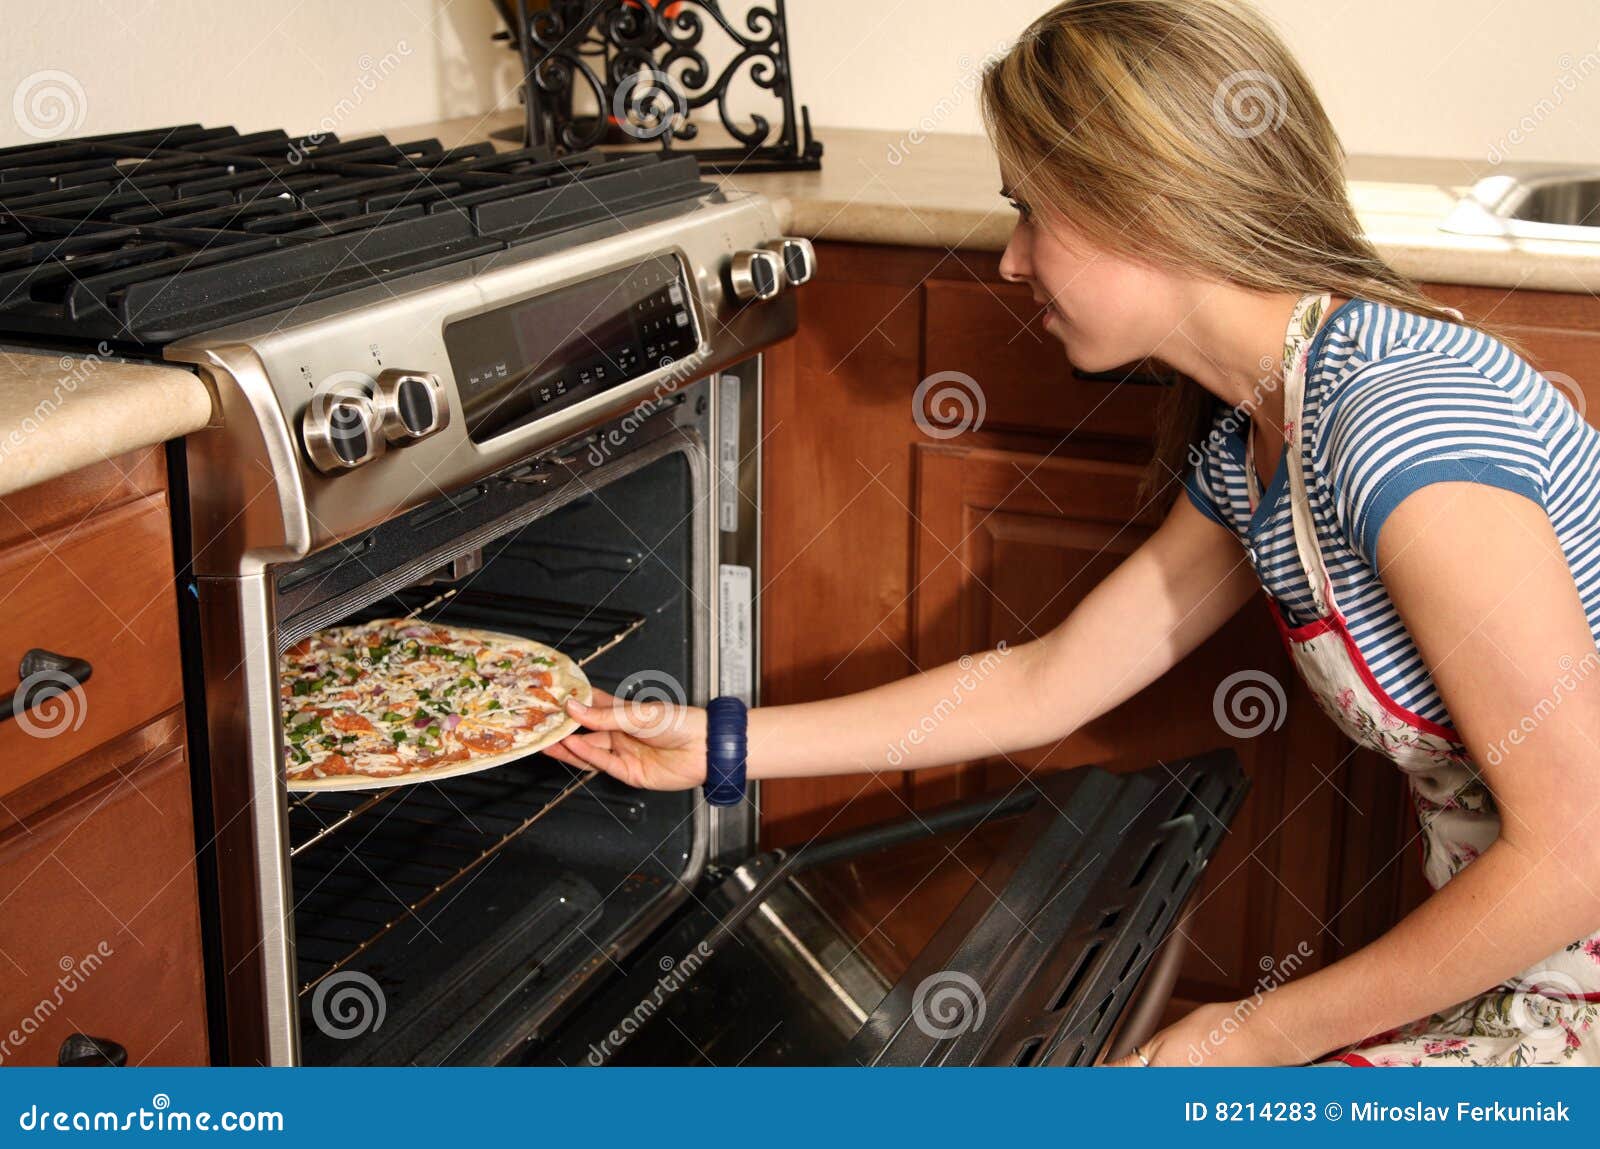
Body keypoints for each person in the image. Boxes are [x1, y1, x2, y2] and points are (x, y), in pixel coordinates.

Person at [547, 0, 1600, 1066]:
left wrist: (1241, 1036)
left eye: (1031, 210)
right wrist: (720, 744)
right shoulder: (1264, 438)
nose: (1011, 260)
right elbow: (1046, 681)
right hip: (1527, 968)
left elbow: (1577, 849)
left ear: (1147, 208)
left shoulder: (1395, 430)